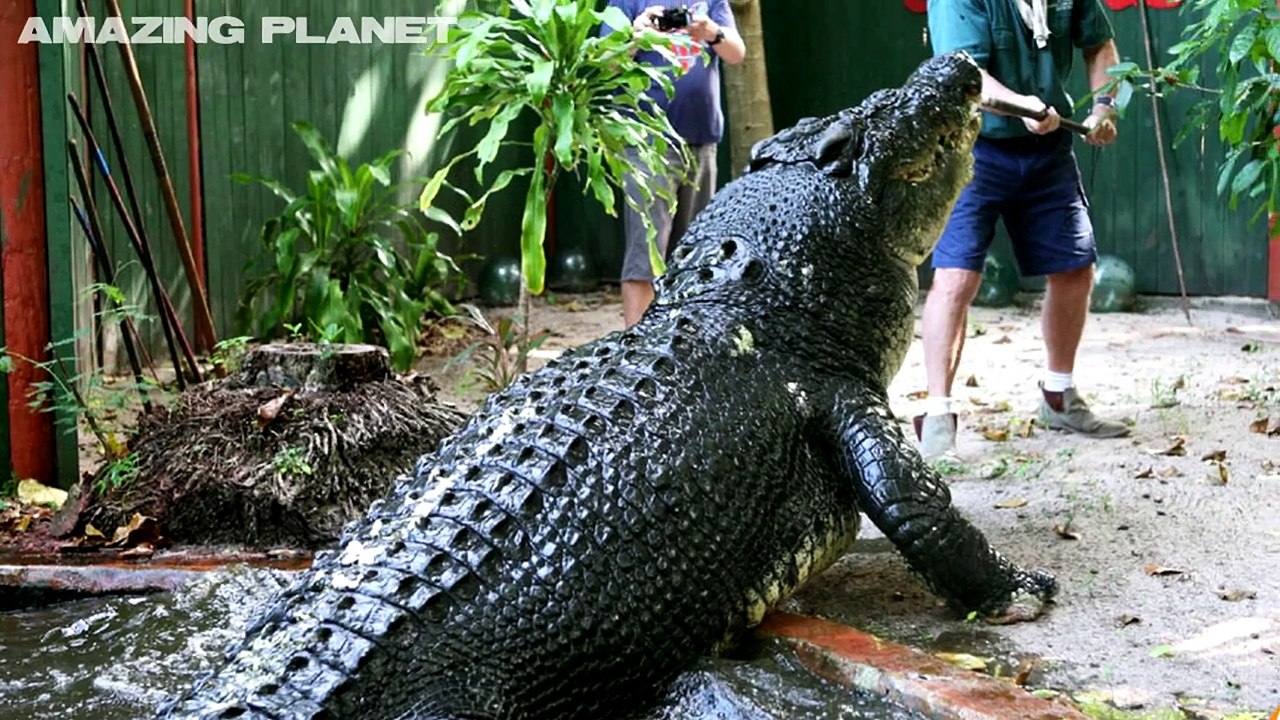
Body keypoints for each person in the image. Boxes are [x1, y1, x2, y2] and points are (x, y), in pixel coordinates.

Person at [916, 0, 1130, 459]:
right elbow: (966, 73)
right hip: (972, 146)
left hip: (1049, 147)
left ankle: (1059, 395)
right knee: (956, 278)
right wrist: (1023, 107)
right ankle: (937, 414)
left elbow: (1100, 46)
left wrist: (1105, 105)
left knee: (1075, 270)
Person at [601, 2, 745, 327]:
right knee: (645, 255)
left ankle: (683, 349)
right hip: (648, 143)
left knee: (695, 256)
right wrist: (635, 37)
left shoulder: (712, 3)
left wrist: (712, 32)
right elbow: (605, 66)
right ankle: (636, 352)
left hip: (702, 140)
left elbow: (737, 53)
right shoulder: (624, 3)